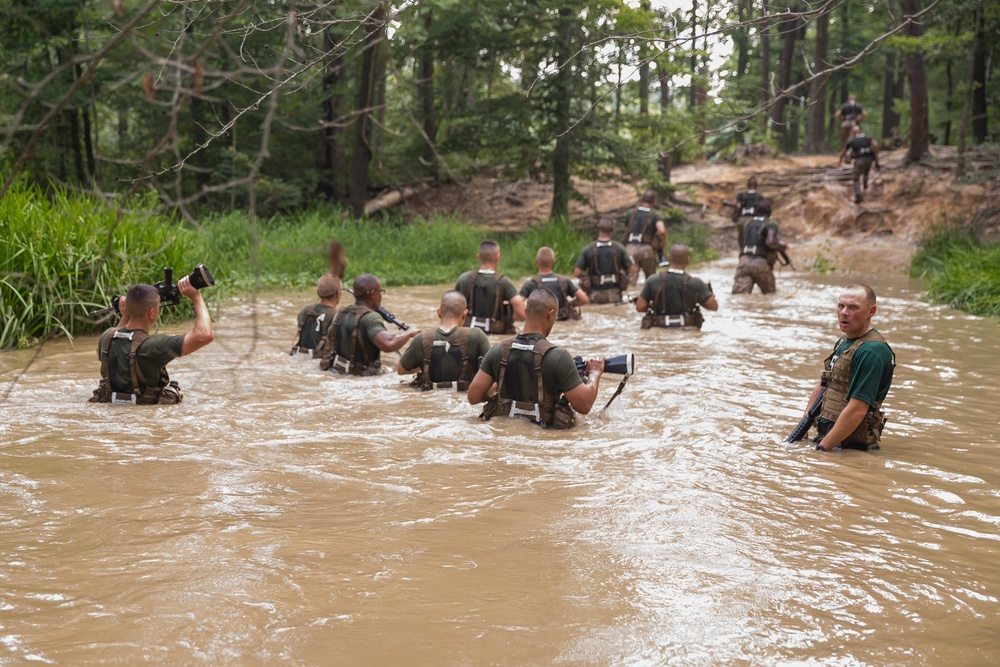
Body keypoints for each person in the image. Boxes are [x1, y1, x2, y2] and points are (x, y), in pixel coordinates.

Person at [467, 289, 604, 429]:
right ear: (550, 314)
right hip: (544, 439)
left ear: (526, 311)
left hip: (504, 435)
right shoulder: (559, 357)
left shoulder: (497, 350)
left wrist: (494, 389)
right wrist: (595, 372)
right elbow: (584, 405)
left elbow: (473, 397)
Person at [89, 277, 214, 405]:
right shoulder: (154, 346)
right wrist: (196, 297)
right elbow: (204, 335)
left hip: (112, 412)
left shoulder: (106, 338)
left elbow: (112, 342)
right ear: (151, 313)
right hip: (142, 416)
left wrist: (125, 316)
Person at [804, 284, 895, 451]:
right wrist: (804, 425)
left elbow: (858, 410)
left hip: (848, 446)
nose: (844, 312)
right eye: (841, 306)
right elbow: (824, 383)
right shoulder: (845, 342)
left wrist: (823, 449)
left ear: (871, 311)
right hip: (831, 439)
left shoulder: (872, 351)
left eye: (853, 307)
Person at [320, 274, 419, 376]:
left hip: (338, 372)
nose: (381, 295)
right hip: (362, 378)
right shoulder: (371, 318)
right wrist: (409, 333)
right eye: (381, 292)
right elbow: (389, 344)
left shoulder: (339, 314)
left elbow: (329, 346)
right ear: (372, 294)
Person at [397, 291, 492, 391]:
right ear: (465, 314)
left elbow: (401, 370)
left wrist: (422, 364)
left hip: (431, 400)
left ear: (439, 313)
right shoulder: (477, 336)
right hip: (464, 401)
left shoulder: (421, 340)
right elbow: (492, 372)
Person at [635, 243, 718, 329]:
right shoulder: (696, 283)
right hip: (687, 329)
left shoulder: (652, 280)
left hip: (660, 329)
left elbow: (640, 307)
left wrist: (653, 304)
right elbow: (713, 307)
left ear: (668, 257)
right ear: (688, 260)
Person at [455, 240, 526, 335]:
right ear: (497, 257)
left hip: (467, 333)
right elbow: (520, 311)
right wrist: (510, 319)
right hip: (495, 334)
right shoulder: (504, 282)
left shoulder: (464, 279)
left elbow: (452, 306)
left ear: (478, 257)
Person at [573, 216, 636, 304]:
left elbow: (577, 273)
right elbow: (632, 269)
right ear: (613, 230)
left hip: (595, 295)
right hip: (615, 295)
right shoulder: (619, 249)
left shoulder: (588, 250)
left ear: (598, 228)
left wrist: (587, 278)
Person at [732, 198, 787, 295]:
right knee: (770, 295)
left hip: (743, 262)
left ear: (755, 211)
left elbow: (742, 242)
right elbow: (770, 242)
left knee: (739, 296)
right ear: (769, 211)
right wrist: (781, 246)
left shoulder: (747, 223)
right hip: (760, 263)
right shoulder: (771, 224)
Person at [519, 246, 589, 321]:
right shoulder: (564, 281)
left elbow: (517, 303)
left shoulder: (531, 283)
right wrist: (570, 303)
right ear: (553, 262)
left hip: (542, 321)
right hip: (562, 320)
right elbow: (584, 299)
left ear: (536, 262)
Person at [621, 189, 668, 284]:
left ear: (642, 199)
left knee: (630, 280)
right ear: (654, 201)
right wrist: (663, 243)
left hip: (630, 249)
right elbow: (662, 231)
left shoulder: (631, 213)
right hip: (646, 250)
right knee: (651, 280)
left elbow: (626, 229)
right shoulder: (654, 215)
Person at [290, 273, 341, 357]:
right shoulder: (337, 317)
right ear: (338, 294)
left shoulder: (305, 310)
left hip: (299, 356)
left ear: (318, 292)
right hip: (319, 362)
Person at [839, 126, 881, 204]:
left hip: (860, 160)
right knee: (866, 171)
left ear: (853, 132)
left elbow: (844, 151)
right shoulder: (868, 138)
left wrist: (840, 161)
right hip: (870, 158)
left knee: (855, 177)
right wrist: (877, 156)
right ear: (860, 131)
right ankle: (865, 187)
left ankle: (858, 196)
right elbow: (875, 145)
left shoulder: (852, 141)